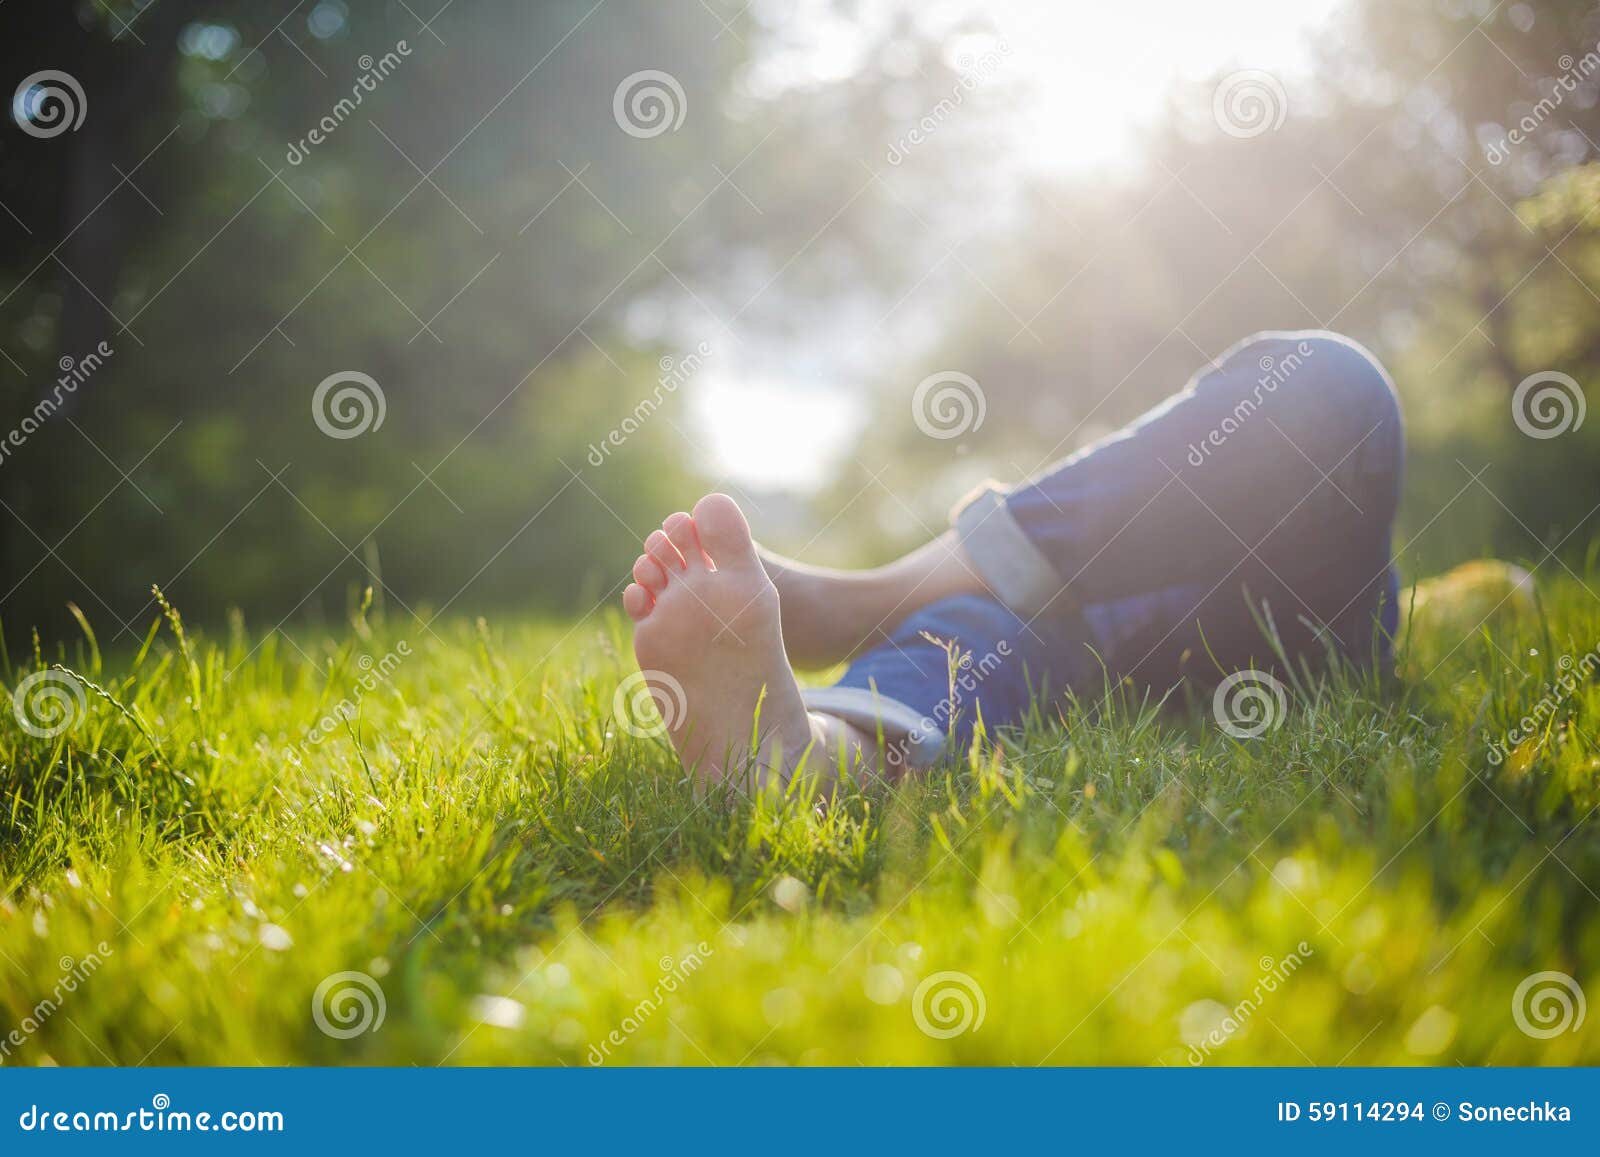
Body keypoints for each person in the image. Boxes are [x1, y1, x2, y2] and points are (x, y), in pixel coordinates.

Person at [621, 330, 1404, 789]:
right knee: (981, 625)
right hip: (1092, 624)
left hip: (1291, 617)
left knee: (1329, 383)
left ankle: (868, 600)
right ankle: (805, 757)